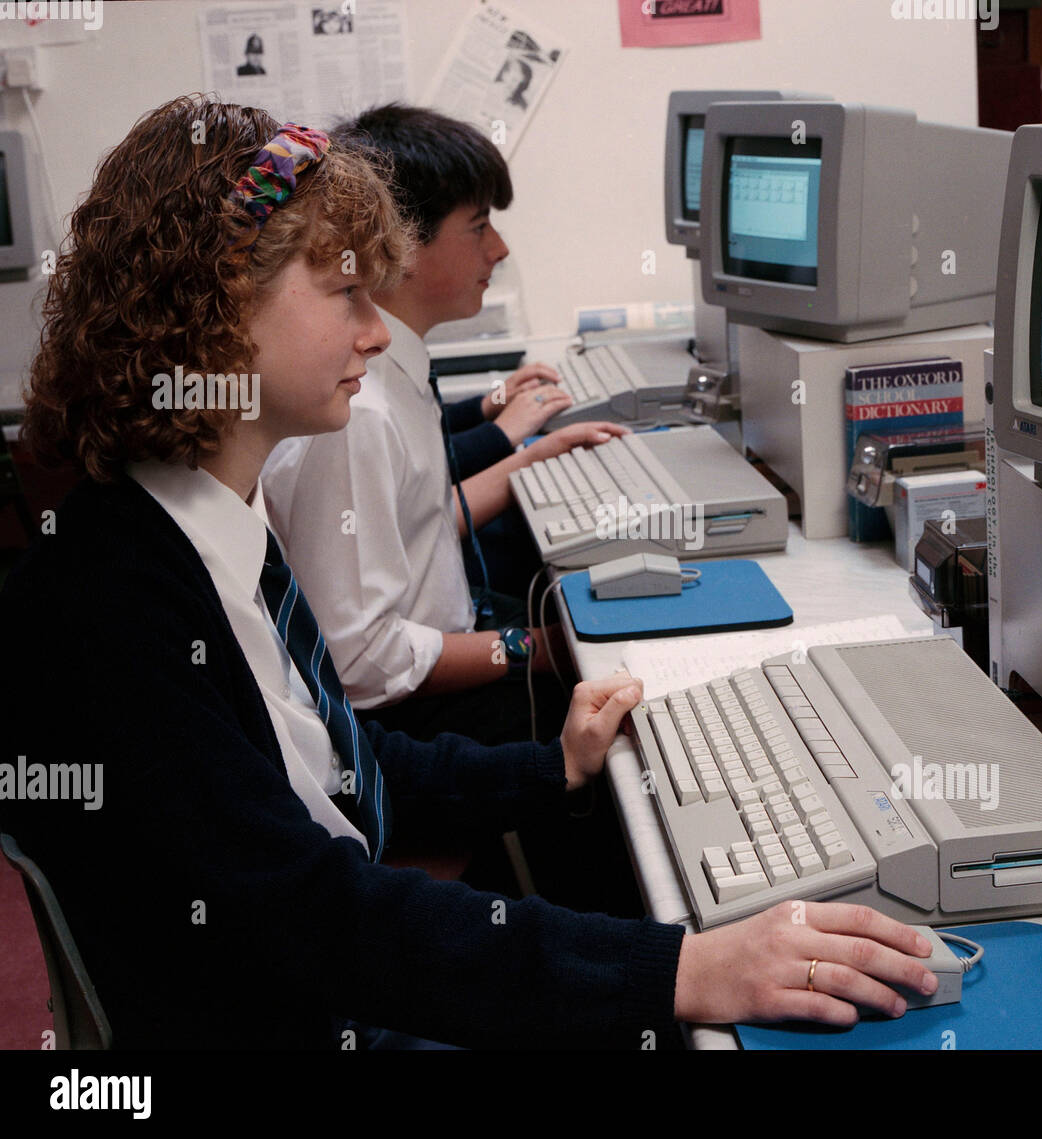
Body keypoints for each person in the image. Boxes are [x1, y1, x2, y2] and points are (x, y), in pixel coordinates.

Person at [0, 93, 939, 1050]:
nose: (376, 331)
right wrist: (683, 970)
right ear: (217, 307)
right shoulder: (110, 605)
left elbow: (338, 768)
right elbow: (314, 915)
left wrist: (550, 767)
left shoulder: (204, 523)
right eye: (347, 294)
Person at [261, 105, 611, 748]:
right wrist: (529, 647)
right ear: (404, 242)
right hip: (408, 713)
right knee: (617, 705)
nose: (498, 249)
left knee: (609, 625)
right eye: (478, 226)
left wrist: (533, 458)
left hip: (440, 639)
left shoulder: (395, 374)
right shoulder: (357, 413)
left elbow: (413, 530)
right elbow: (364, 662)